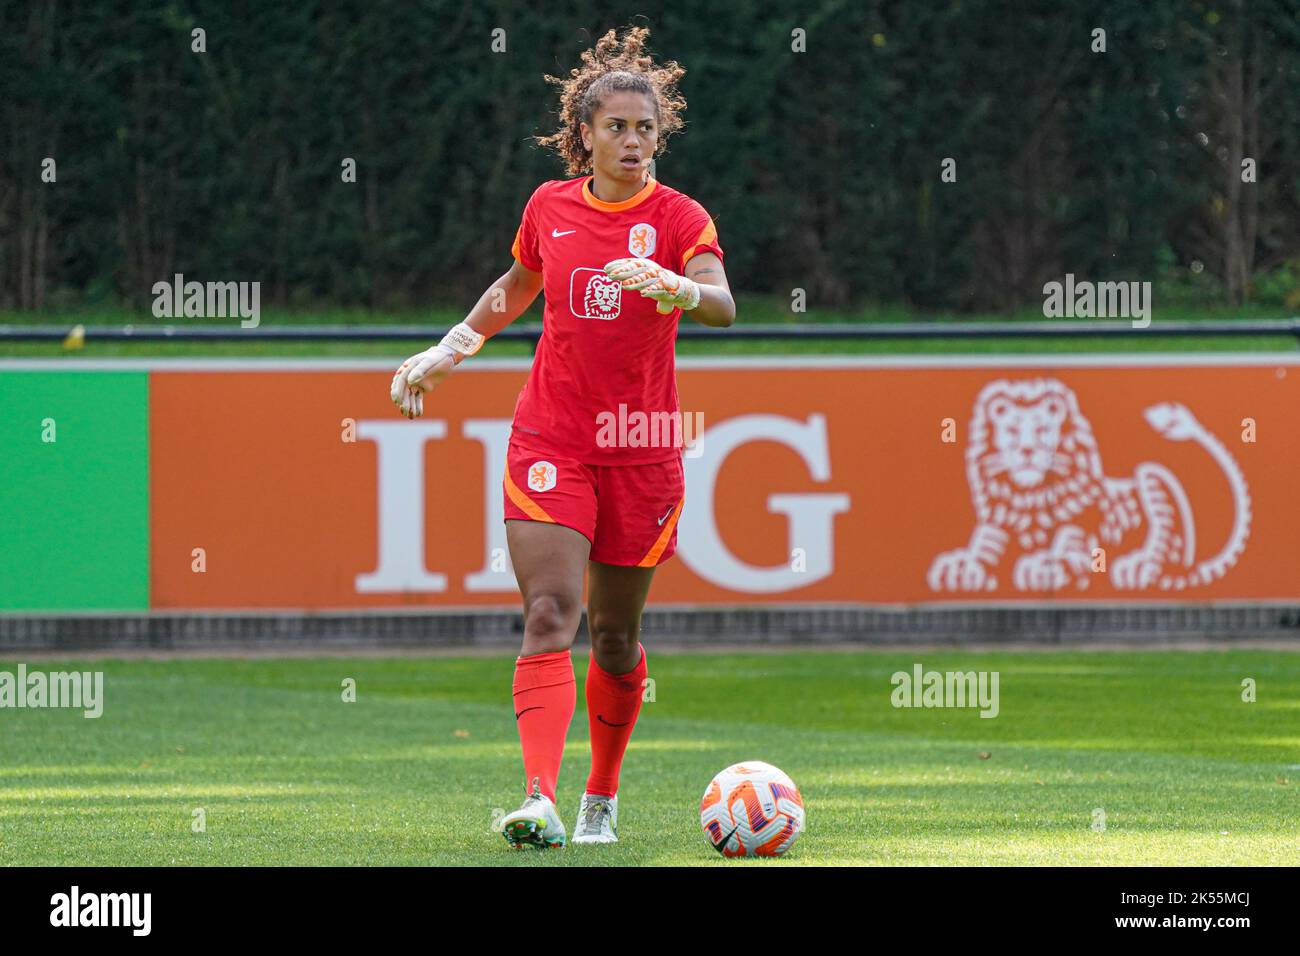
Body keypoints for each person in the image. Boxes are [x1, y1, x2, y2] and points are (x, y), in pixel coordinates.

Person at [389, 26, 734, 849]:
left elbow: (723, 303)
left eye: (646, 129)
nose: (633, 142)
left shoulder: (680, 217)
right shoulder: (549, 206)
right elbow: (515, 285)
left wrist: (680, 286)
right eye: (616, 127)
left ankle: (599, 798)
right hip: (552, 437)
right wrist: (450, 350)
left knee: (614, 639)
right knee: (550, 611)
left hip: (643, 446)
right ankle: (538, 797)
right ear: (583, 134)